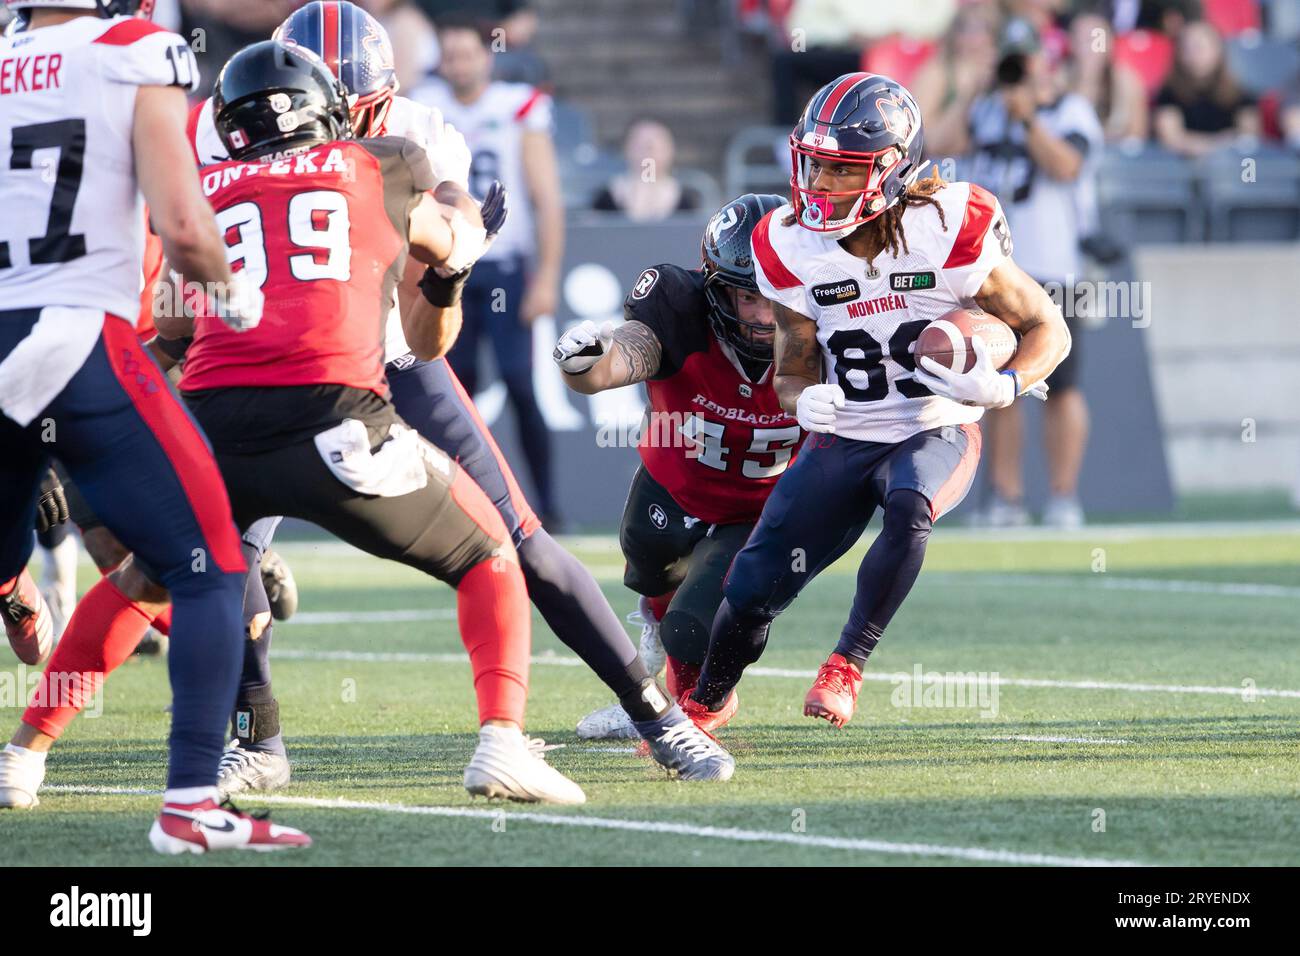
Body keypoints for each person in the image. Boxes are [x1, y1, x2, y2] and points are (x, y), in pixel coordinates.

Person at [186, 2, 732, 789]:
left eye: (361, 108)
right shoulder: (229, 122)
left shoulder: (413, 131)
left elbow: (449, 237)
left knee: (518, 537)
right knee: (212, 554)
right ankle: (255, 738)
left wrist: (458, 246)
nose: (345, 123)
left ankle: (657, 716)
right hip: (274, 362)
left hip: (389, 359)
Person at [0, 0, 310, 852]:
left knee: (23, 560)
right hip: (74, 333)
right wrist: (235, 296)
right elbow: (182, 229)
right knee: (207, 561)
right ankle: (187, 802)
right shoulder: (136, 50)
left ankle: (10, 593)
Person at [681, 73, 1070, 737]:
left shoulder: (947, 224)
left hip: (933, 425)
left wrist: (1003, 386)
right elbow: (795, 363)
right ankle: (705, 704)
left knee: (911, 502)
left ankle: (846, 664)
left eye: (839, 170)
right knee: (751, 589)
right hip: (848, 434)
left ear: (891, 167)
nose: (818, 185)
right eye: (813, 165)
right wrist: (806, 400)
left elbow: (1048, 327)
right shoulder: (788, 243)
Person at [553, 194, 794, 739]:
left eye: (777, 296)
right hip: (672, 484)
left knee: (695, 627)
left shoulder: (825, 325)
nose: (762, 316)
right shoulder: (677, 307)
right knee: (647, 572)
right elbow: (623, 356)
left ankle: (693, 710)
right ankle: (661, 697)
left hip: (758, 508)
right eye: (747, 297)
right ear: (715, 290)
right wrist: (585, 364)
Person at [953, 18, 1103, 527]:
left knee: (1063, 386)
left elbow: (1067, 166)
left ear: (1048, 62)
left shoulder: (1070, 110)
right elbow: (942, 142)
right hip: (998, 273)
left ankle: (1063, 498)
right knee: (1000, 386)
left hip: (1058, 268)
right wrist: (971, 90)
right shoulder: (988, 108)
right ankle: (1006, 498)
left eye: (1027, 59)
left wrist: (1028, 119)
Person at [414, 14, 564, 525]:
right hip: (447, 261)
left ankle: (545, 506)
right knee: (454, 388)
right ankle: (453, 510)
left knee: (522, 385)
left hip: (503, 265)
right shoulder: (424, 106)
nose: (457, 65)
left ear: (487, 56)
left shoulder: (518, 106)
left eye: (466, 54)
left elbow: (546, 198)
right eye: (450, 55)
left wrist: (546, 276)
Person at [1154, 19, 1259, 158]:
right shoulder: (1168, 93)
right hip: (1185, 166)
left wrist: (1194, 143)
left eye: (1199, 47)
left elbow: (1248, 138)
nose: (1193, 55)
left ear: (1218, 50)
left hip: (1231, 166)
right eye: (1187, 48)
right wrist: (1220, 143)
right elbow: (1170, 139)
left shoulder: (1241, 91)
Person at [591, 119, 703, 221]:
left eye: (653, 146)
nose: (647, 152)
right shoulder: (604, 200)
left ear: (670, 151)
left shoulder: (688, 202)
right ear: (626, 149)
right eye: (639, 146)